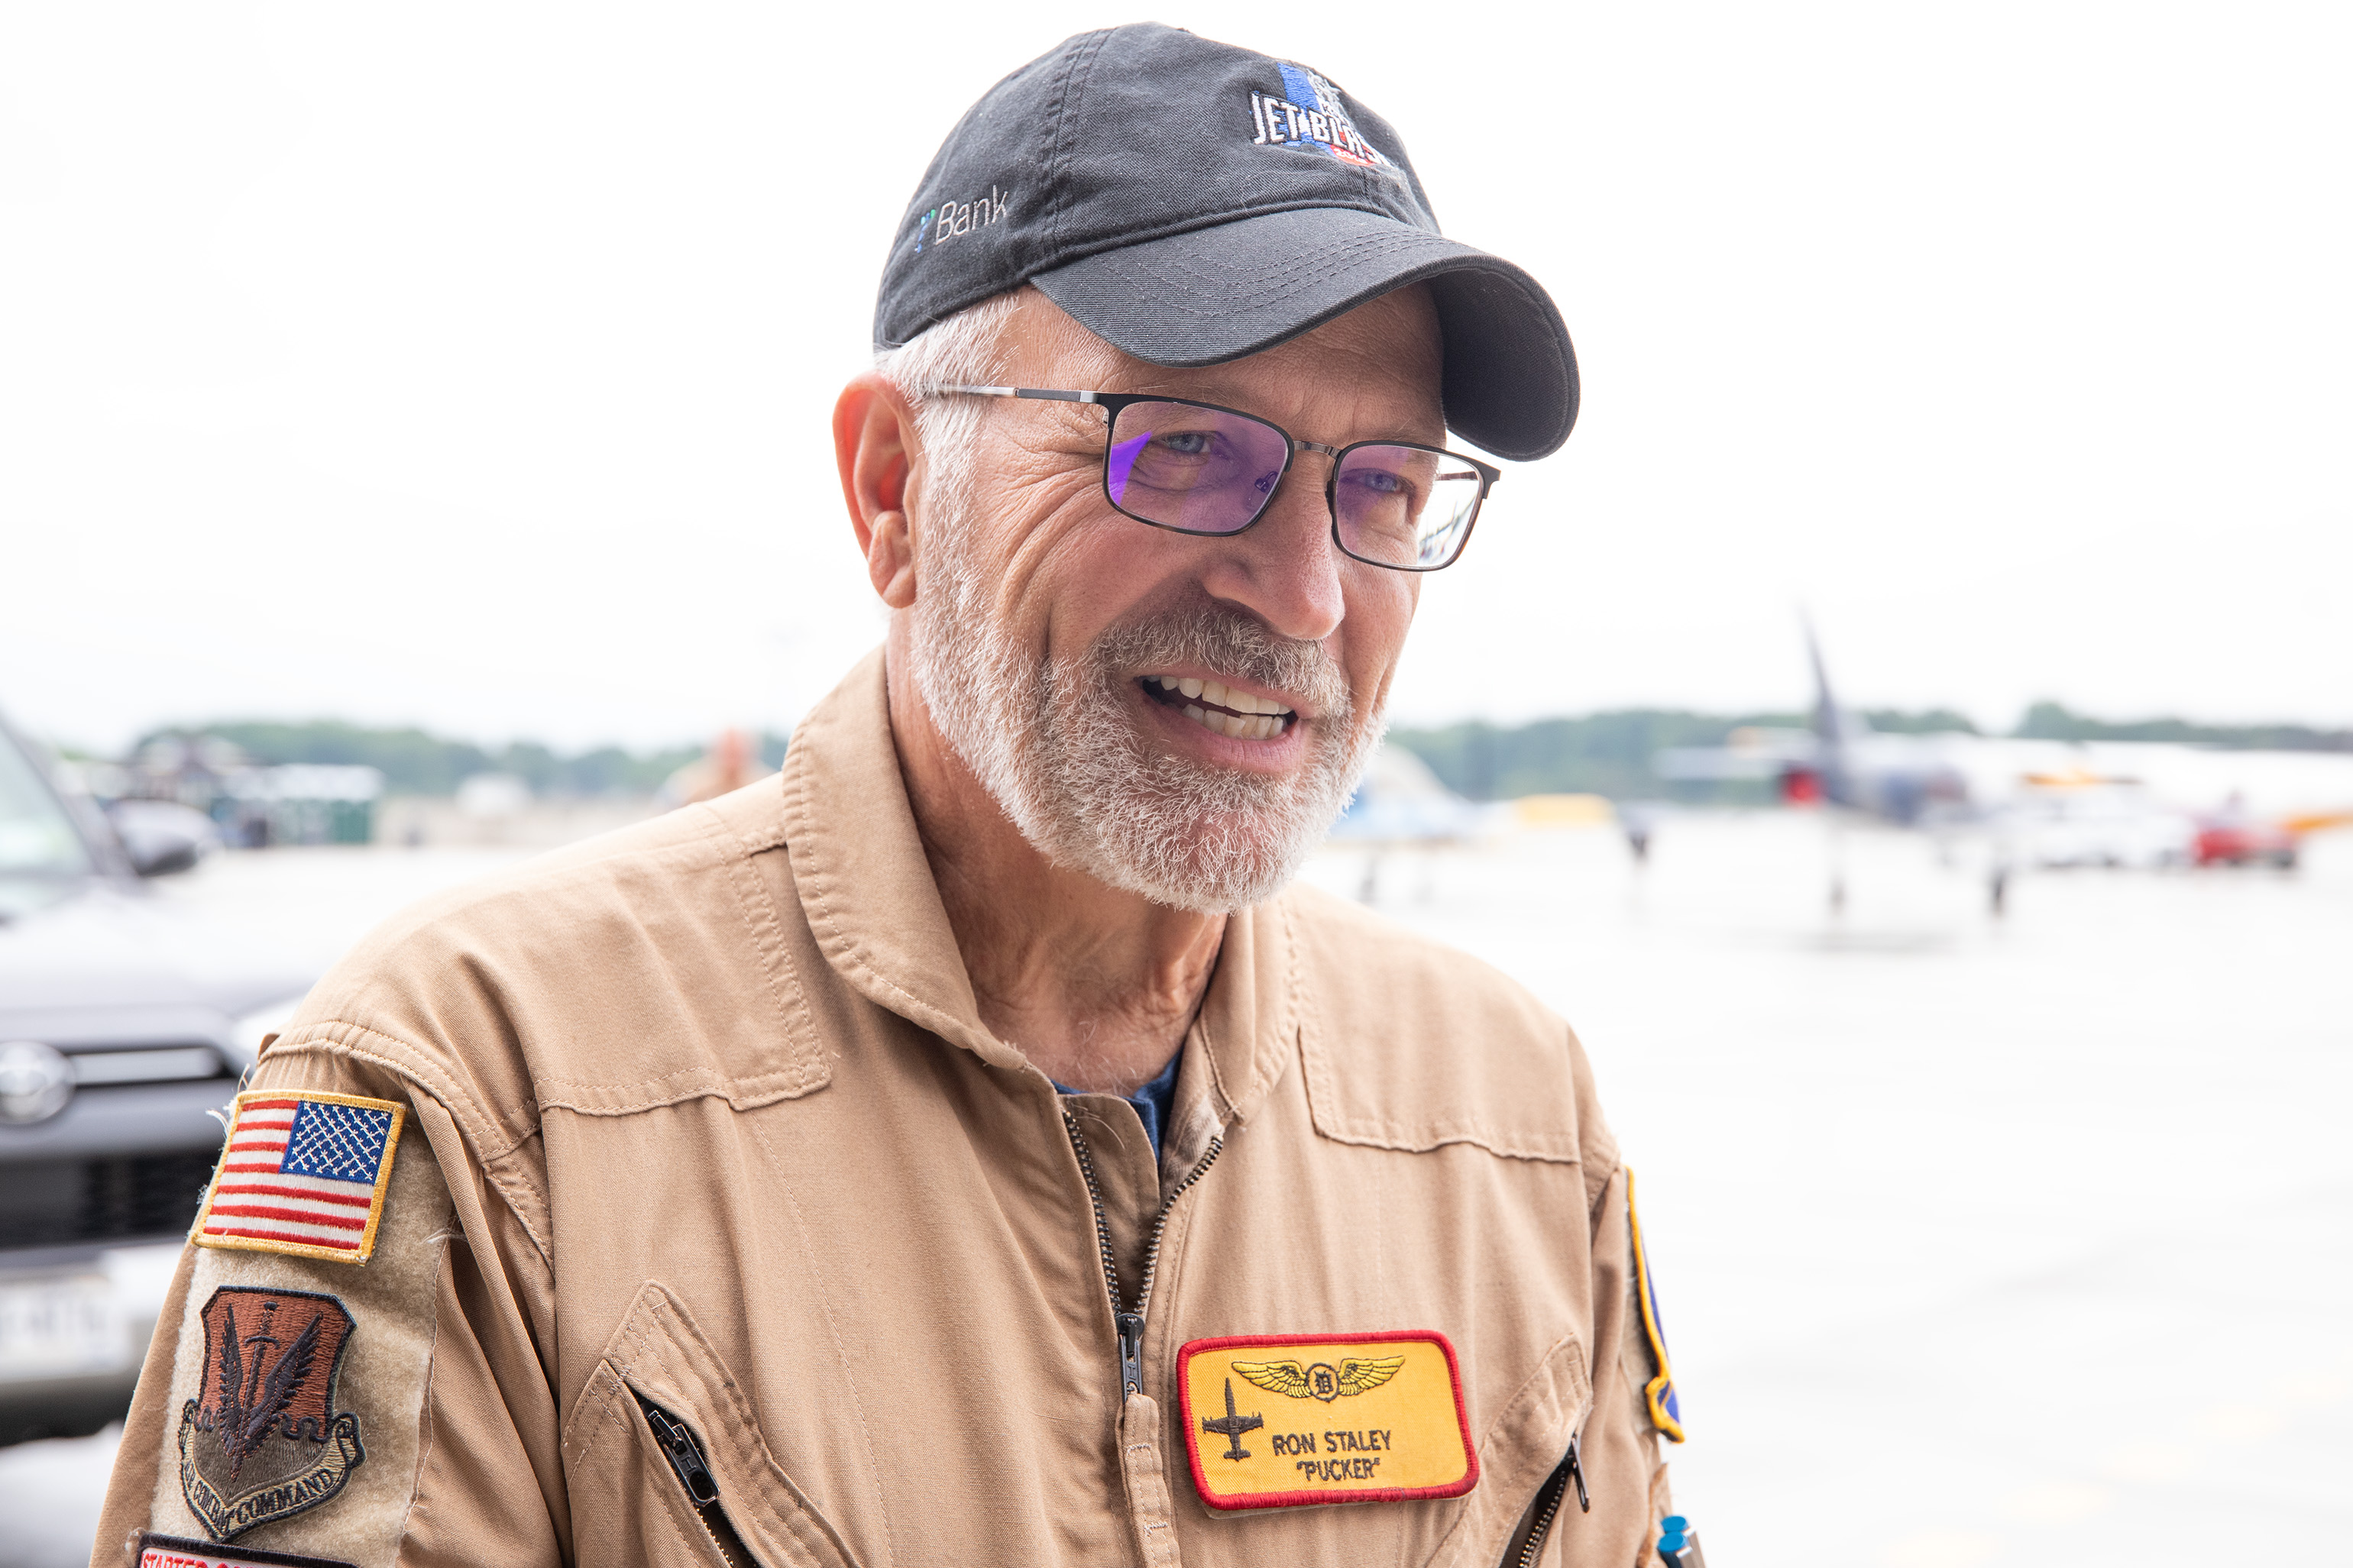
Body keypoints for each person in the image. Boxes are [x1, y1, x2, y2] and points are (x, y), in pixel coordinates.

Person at [92, 24, 1683, 1568]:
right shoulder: (472, 1086)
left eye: (1383, 487)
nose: (1308, 596)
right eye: (1188, 450)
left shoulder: (1512, 1116)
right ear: (892, 491)